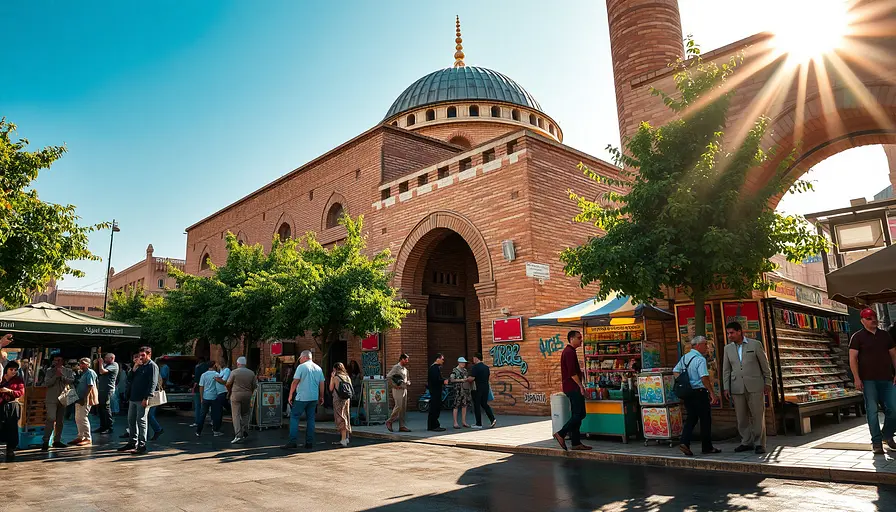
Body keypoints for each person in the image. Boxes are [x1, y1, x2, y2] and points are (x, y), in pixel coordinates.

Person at [849, 308, 896, 454]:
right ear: (862, 321)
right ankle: (876, 442)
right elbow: (853, 359)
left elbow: (894, 355)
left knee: (893, 409)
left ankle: (887, 435)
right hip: (868, 380)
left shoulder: (885, 336)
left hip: (887, 379)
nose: (873, 320)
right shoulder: (857, 337)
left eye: (874, 317)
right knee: (872, 411)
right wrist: (856, 378)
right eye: (869, 318)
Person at [722, 321, 772, 455]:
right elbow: (726, 369)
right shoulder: (728, 349)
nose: (729, 335)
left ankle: (759, 443)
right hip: (737, 386)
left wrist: (768, 382)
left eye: (732, 332)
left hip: (755, 385)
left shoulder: (755, 345)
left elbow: (765, 366)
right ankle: (746, 441)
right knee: (741, 417)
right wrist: (726, 387)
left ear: (739, 332)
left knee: (757, 415)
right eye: (728, 333)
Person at [675, 336, 721, 457]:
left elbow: (675, 371)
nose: (706, 347)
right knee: (705, 419)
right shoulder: (700, 359)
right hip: (699, 392)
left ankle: (684, 442)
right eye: (705, 344)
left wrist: (684, 382)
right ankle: (707, 447)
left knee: (691, 417)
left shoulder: (685, 358)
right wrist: (711, 392)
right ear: (698, 345)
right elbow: (704, 378)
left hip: (688, 392)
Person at [554, 331, 591, 451]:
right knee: (579, 414)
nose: (581, 340)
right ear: (571, 339)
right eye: (579, 338)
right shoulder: (569, 352)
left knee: (579, 414)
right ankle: (561, 433)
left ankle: (576, 443)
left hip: (571, 387)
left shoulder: (571, 352)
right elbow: (572, 373)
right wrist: (581, 386)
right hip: (572, 387)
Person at [119, 346, 159, 454]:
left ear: (149, 355)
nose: (141, 357)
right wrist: (135, 367)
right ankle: (132, 442)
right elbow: (130, 378)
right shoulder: (140, 366)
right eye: (139, 355)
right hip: (133, 397)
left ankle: (142, 445)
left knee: (141, 420)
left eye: (143, 355)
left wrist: (147, 397)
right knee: (131, 420)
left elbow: (153, 383)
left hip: (142, 398)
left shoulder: (152, 366)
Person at [282, 350, 324, 450]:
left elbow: (295, 381)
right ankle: (309, 442)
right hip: (313, 397)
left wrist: (290, 395)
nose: (299, 360)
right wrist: (321, 396)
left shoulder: (302, 367)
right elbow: (322, 383)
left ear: (304, 357)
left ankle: (293, 441)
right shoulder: (318, 368)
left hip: (302, 397)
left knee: (294, 417)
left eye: (300, 358)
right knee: (311, 419)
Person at [41, 355, 73, 451]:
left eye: (58, 360)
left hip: (63, 397)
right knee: (51, 418)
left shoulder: (68, 371)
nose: (56, 362)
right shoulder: (49, 371)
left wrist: (62, 376)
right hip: (51, 398)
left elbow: (71, 380)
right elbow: (47, 383)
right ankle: (46, 441)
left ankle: (57, 440)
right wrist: (56, 376)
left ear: (62, 361)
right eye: (55, 360)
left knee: (60, 421)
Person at [226, 356, 256, 444]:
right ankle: (244, 429)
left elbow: (228, 383)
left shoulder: (234, 372)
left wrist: (229, 391)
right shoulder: (251, 373)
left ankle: (238, 435)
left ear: (238, 363)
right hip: (247, 395)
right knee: (245, 413)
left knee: (236, 415)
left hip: (235, 394)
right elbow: (254, 385)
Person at [70, 357, 98, 447]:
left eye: (83, 363)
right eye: (80, 363)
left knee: (83, 417)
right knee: (77, 418)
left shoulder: (90, 373)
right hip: (78, 397)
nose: (81, 365)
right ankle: (80, 436)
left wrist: (84, 398)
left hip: (85, 399)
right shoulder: (82, 373)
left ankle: (87, 437)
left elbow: (90, 386)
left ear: (88, 364)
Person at [0, 360, 24, 461]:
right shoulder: (0, 377)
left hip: (12, 405)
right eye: (11, 369)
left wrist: (9, 391)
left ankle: (10, 448)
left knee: (12, 427)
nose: (13, 371)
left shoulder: (18, 380)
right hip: (1, 405)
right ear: (7, 369)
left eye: (15, 370)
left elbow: (20, 392)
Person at [467, 353, 496, 429]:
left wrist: (467, 379)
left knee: (477, 405)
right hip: (486, 388)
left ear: (476, 358)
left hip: (477, 388)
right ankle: (492, 419)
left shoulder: (475, 367)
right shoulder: (486, 367)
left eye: (473, 358)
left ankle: (478, 423)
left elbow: (472, 378)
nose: (473, 360)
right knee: (484, 404)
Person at [196, 361, 225, 437]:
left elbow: (201, 387)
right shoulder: (216, 374)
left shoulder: (204, 375)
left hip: (206, 397)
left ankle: (198, 431)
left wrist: (201, 398)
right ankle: (216, 431)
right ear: (214, 365)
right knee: (216, 414)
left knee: (202, 415)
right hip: (214, 397)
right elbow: (222, 383)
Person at [94, 352, 119, 435]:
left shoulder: (114, 365)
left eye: (106, 358)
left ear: (111, 358)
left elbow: (102, 371)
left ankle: (109, 426)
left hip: (107, 389)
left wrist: (101, 363)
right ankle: (103, 426)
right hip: (101, 389)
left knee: (106, 408)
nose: (105, 359)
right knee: (101, 408)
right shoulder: (107, 365)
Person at [385, 354, 411, 433]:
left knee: (403, 408)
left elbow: (408, 379)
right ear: (402, 359)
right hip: (397, 390)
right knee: (398, 406)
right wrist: (394, 386)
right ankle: (390, 421)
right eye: (406, 359)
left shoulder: (405, 370)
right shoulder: (396, 367)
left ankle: (402, 426)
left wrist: (408, 382)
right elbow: (388, 376)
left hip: (404, 389)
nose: (407, 361)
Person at [329, 362, 352, 447]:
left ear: (335, 369)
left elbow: (331, 388)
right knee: (346, 415)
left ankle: (343, 440)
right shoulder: (347, 377)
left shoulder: (336, 378)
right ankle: (346, 438)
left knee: (340, 417)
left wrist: (332, 378)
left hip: (338, 399)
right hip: (347, 399)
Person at [427, 353, 449, 432]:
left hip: (436, 390)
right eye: (442, 359)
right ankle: (434, 425)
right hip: (435, 391)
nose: (443, 361)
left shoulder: (435, 368)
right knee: (435, 408)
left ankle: (432, 425)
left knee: (435, 408)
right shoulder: (434, 368)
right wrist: (443, 381)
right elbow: (435, 380)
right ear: (438, 359)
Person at [450, 357, 472, 429]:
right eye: (462, 363)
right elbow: (452, 380)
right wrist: (461, 380)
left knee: (464, 405)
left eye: (464, 363)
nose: (464, 364)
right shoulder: (455, 371)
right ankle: (455, 422)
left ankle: (464, 421)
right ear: (459, 363)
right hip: (458, 390)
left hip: (465, 390)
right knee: (456, 405)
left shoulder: (465, 370)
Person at [190, 356, 209, 428]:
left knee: (198, 406)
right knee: (207, 405)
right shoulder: (207, 368)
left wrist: (193, 388)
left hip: (198, 389)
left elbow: (196, 380)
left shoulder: (198, 368)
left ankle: (198, 421)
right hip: (207, 389)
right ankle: (210, 420)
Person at [213, 359, 231, 426]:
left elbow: (224, 381)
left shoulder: (227, 370)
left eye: (222, 362)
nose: (220, 364)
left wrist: (217, 379)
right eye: (219, 362)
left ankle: (218, 423)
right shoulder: (221, 370)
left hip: (224, 391)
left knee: (222, 405)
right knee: (222, 405)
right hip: (219, 391)